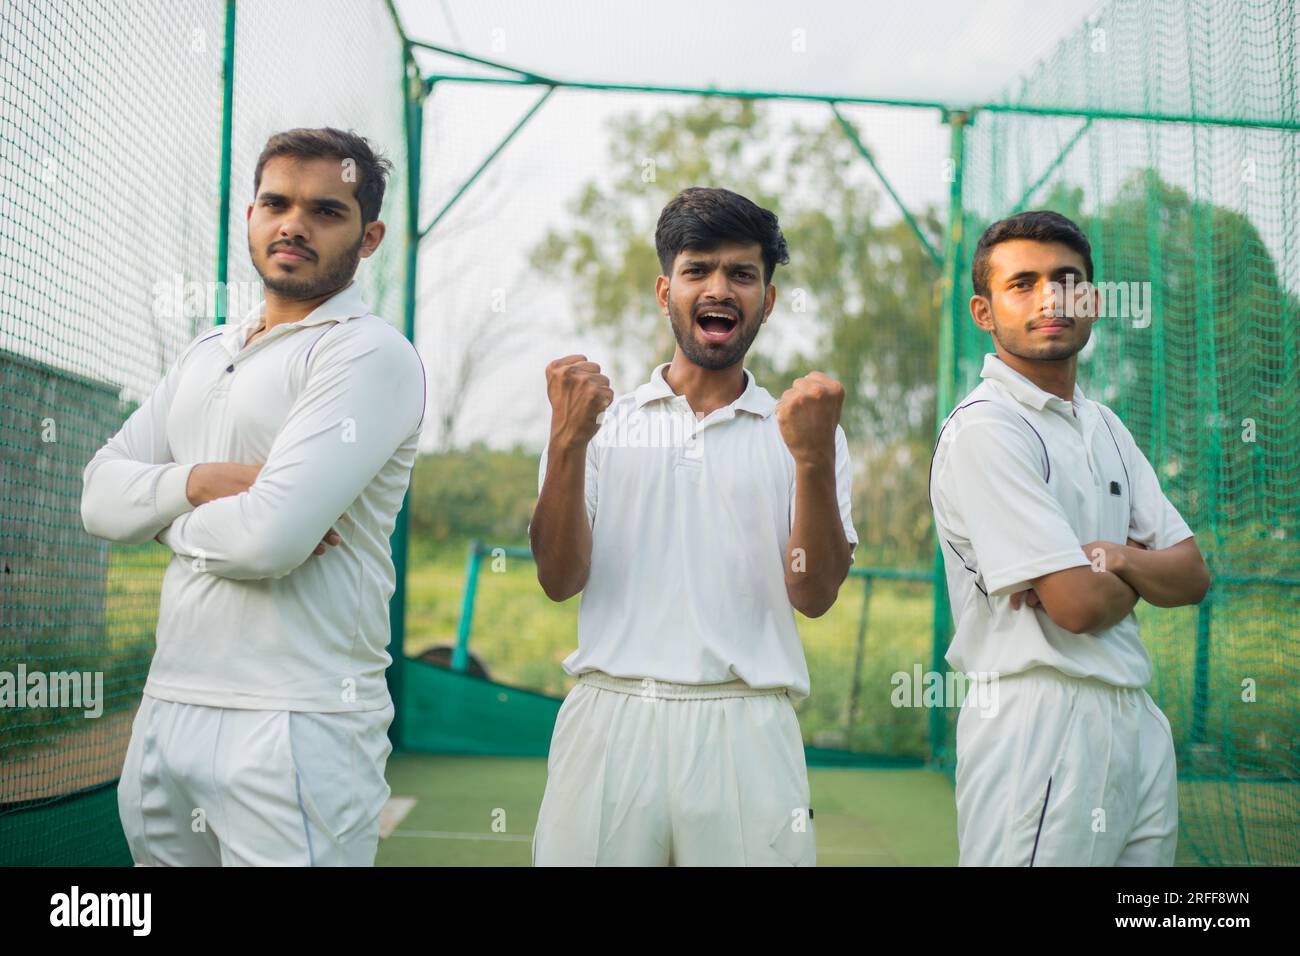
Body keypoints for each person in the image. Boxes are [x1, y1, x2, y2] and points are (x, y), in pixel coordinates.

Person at [81, 127, 426, 866]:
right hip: (167, 709)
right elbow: (98, 499)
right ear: (250, 217)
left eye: (325, 211)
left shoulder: (369, 354)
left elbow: (269, 541)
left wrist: (161, 520)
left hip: (297, 720)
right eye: (276, 203)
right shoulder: (206, 352)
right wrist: (197, 483)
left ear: (369, 239)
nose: (293, 224)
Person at [529, 186, 858, 866]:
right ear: (664, 290)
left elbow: (816, 594)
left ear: (767, 300)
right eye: (698, 270)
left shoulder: (804, 431)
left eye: (742, 274)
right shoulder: (596, 423)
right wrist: (566, 442)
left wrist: (813, 457)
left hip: (749, 723)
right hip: (610, 716)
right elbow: (559, 579)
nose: (720, 288)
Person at [929, 210, 1211, 866]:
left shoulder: (1105, 424)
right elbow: (1077, 608)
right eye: (1022, 283)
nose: (1051, 298)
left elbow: (1194, 575)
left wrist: (1111, 560)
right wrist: (1139, 567)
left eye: (1067, 280)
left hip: (1134, 715)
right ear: (983, 311)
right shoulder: (985, 429)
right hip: (1038, 719)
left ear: (1092, 299)